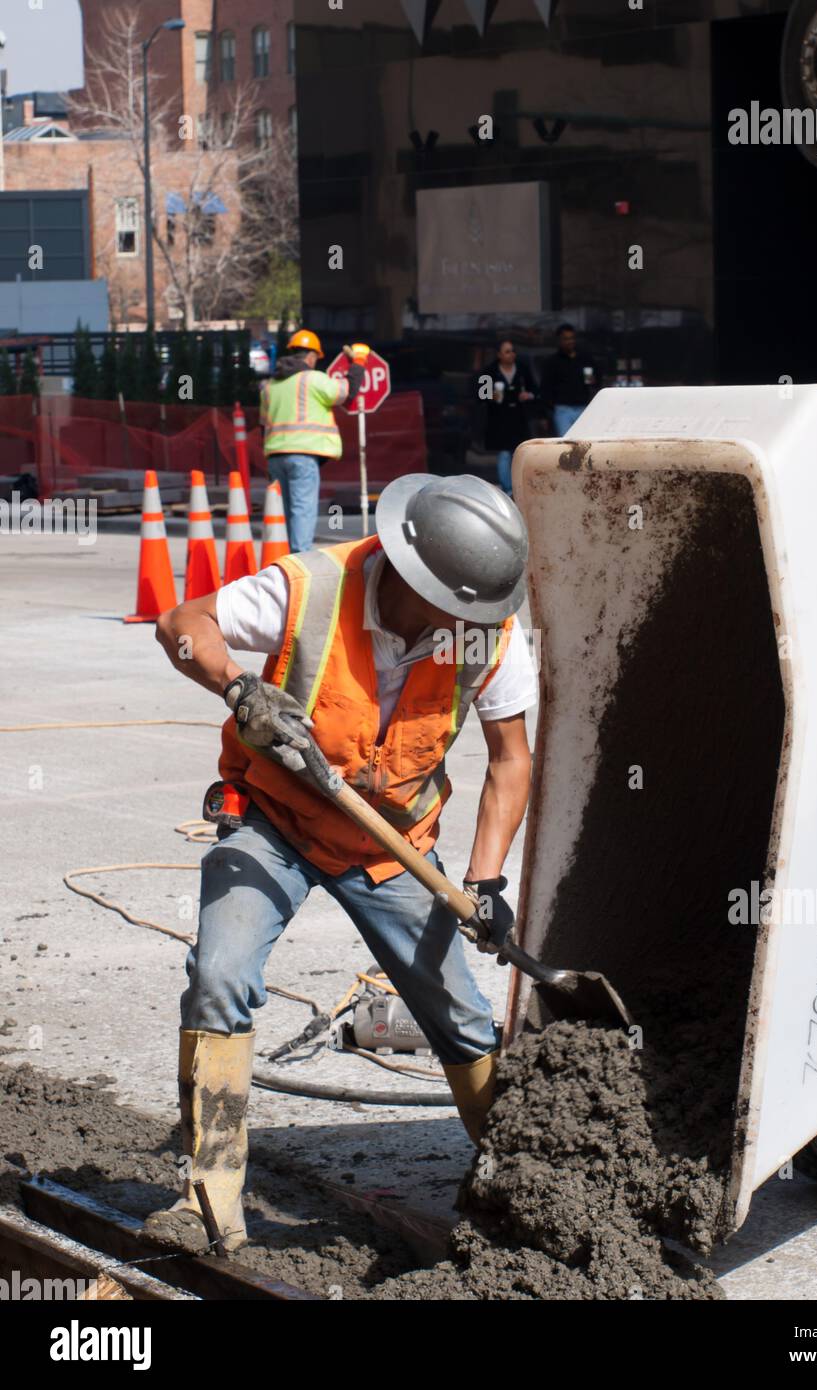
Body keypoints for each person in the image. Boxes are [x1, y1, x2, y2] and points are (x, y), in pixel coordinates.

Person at [148, 474, 538, 1253]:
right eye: (458, 608)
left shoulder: (488, 633)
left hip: (391, 848)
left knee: (460, 1015)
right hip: (276, 821)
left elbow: (512, 761)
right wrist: (238, 686)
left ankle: (523, 1188)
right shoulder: (310, 588)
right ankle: (208, 1197)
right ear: (412, 577)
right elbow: (179, 623)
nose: (473, 624)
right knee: (221, 974)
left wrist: (486, 880)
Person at [259, 331, 365, 553]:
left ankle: (289, 559)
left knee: (287, 511)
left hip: (275, 456)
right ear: (311, 357)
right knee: (303, 509)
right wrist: (358, 363)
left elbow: (263, 424)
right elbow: (347, 392)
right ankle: (301, 560)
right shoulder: (313, 379)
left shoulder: (270, 386)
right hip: (303, 456)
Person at [483, 339, 538, 496]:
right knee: (504, 453)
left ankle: (520, 485)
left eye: (513, 350)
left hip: (519, 417)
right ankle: (507, 489)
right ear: (499, 354)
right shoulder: (490, 371)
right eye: (507, 351)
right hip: (499, 417)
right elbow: (481, 395)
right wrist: (491, 396)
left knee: (519, 451)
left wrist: (528, 395)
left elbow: (534, 389)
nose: (511, 354)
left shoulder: (522, 369)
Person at [540, 322, 601, 436]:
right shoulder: (553, 362)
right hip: (562, 409)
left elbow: (597, 378)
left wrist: (593, 381)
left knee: (583, 441)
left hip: (583, 407)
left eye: (572, 338)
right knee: (566, 442)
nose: (570, 341)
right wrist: (545, 412)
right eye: (566, 339)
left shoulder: (585, 358)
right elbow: (545, 388)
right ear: (559, 340)